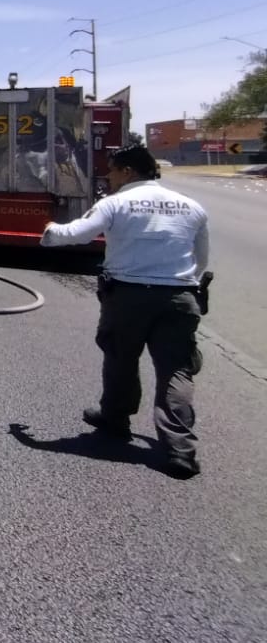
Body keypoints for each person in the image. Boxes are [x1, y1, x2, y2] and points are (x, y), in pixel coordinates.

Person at [39, 144, 209, 479]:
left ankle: (115, 420)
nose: (109, 177)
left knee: (120, 357)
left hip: (129, 297)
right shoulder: (192, 207)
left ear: (128, 171)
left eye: (113, 171)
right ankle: (180, 450)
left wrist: (49, 231)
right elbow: (200, 260)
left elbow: (76, 234)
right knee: (176, 370)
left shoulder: (115, 203)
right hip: (180, 296)